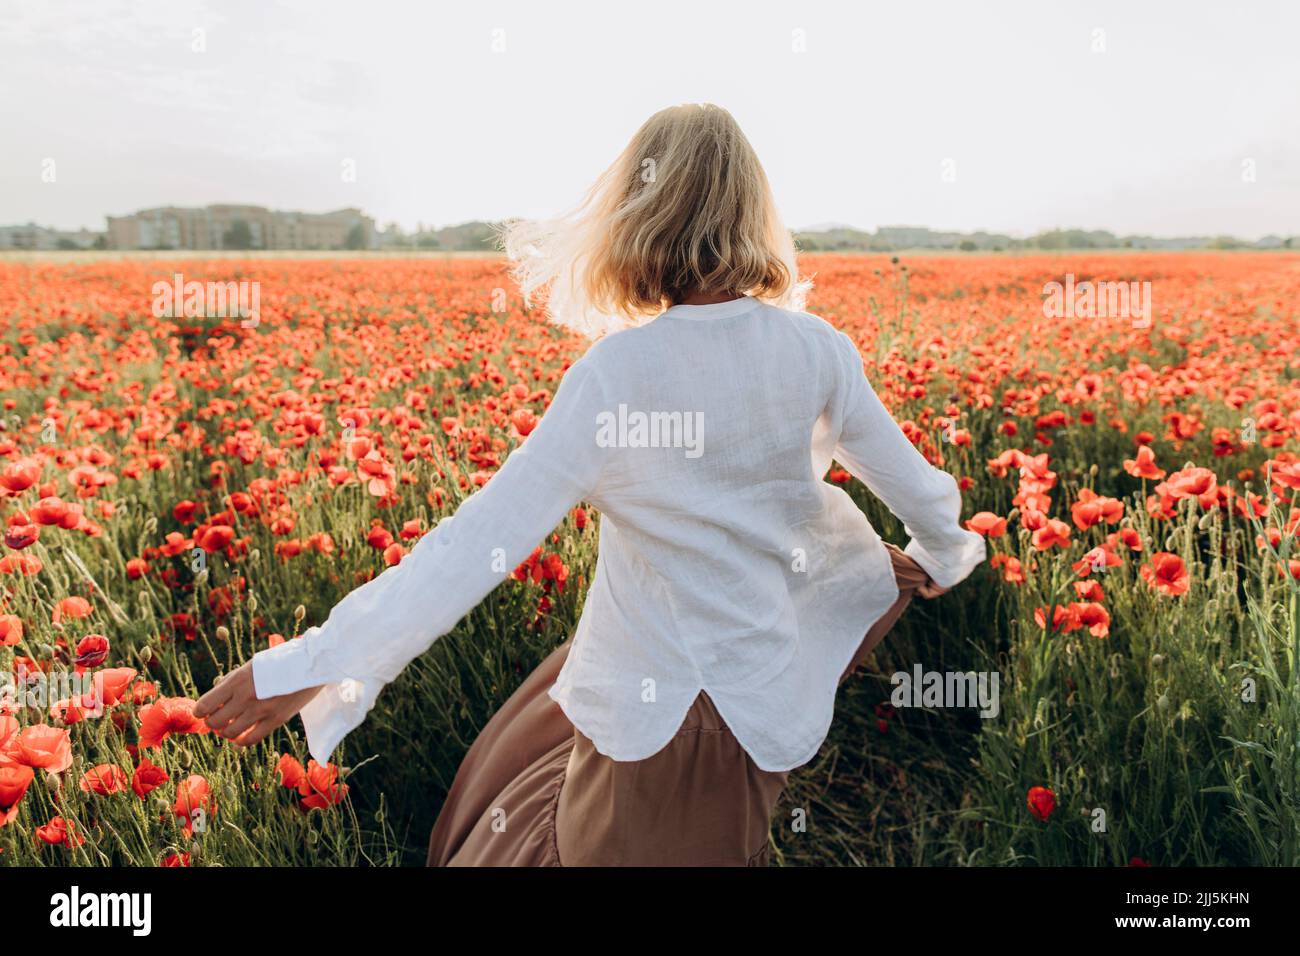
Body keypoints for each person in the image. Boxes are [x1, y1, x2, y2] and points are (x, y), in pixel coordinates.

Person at [194, 103, 986, 866]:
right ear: (754, 210)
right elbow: (919, 493)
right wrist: (944, 556)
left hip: (657, 717)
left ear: (640, 210)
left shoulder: (618, 374)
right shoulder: (818, 351)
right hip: (764, 700)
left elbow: (477, 544)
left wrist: (310, 661)